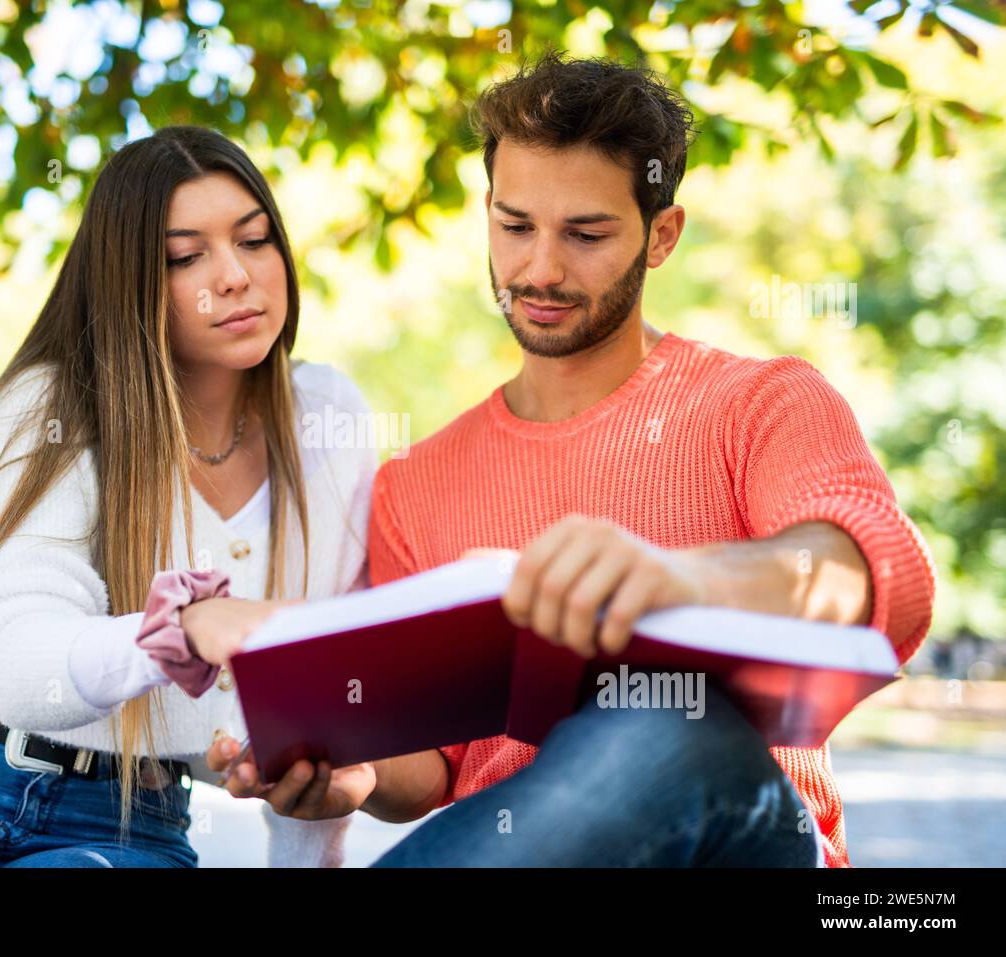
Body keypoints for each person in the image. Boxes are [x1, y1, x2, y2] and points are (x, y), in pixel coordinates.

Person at [206, 53, 937, 868]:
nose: (541, 269)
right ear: (487, 212)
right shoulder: (417, 483)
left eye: (586, 234)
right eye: (516, 227)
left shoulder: (762, 402)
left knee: (666, 714)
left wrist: (682, 582)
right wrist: (354, 770)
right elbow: (438, 762)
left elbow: (886, 570)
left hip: (741, 837)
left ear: (662, 235)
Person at [0, 125, 375, 868]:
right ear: (130, 280)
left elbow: (325, 696)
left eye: (254, 241)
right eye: (185, 256)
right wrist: (181, 629)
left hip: (129, 821)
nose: (233, 275)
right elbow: (15, 652)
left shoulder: (328, 416)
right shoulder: (51, 404)